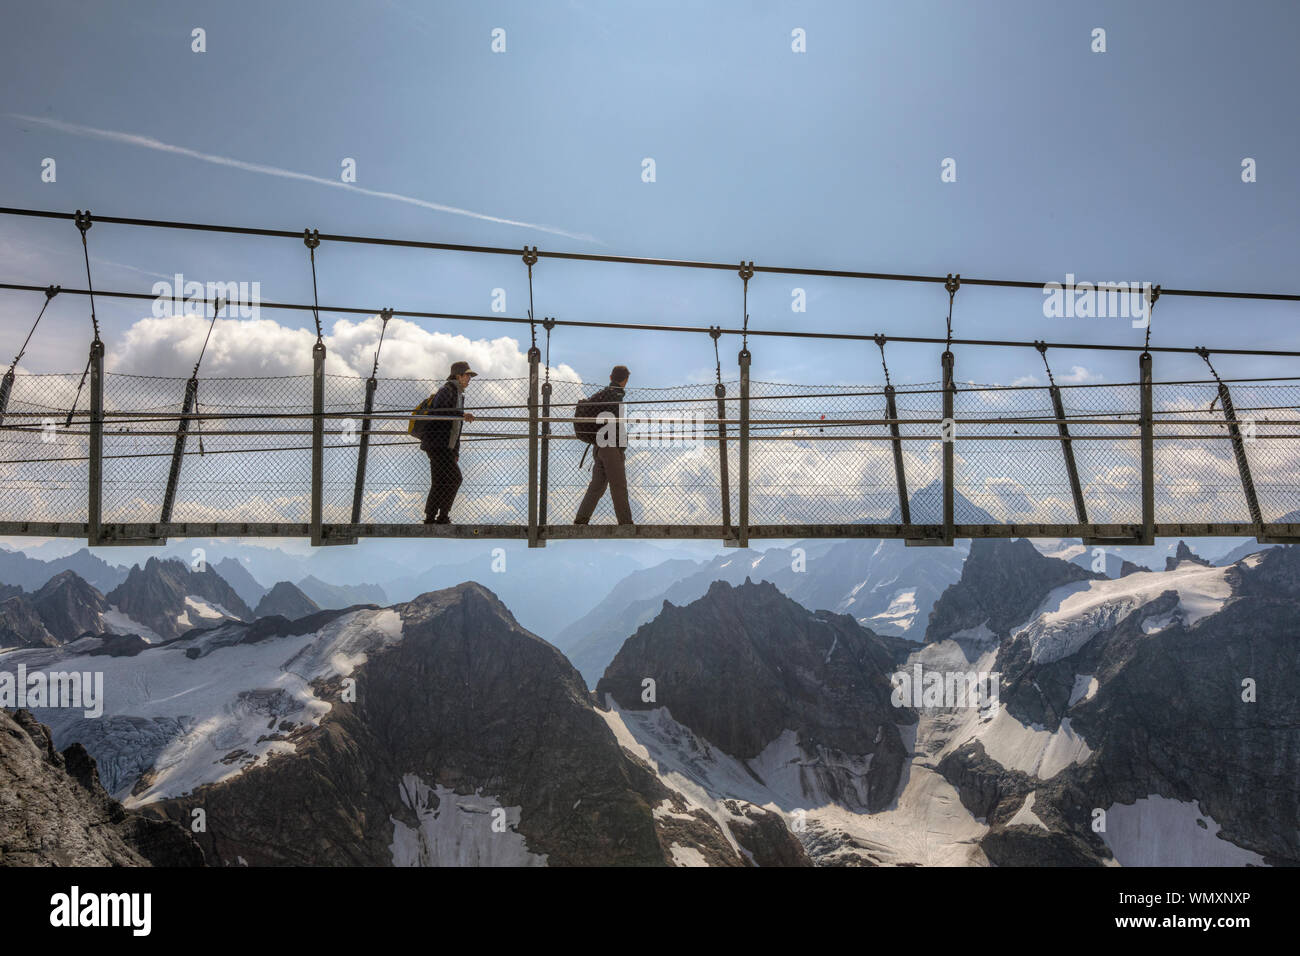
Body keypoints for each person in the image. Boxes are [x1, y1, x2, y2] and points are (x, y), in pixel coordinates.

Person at [574, 365, 634, 526]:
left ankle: (581, 519)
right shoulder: (616, 396)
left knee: (597, 486)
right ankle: (625, 522)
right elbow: (617, 425)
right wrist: (621, 446)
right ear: (626, 380)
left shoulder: (601, 395)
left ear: (610, 377)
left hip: (598, 447)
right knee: (618, 485)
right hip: (610, 448)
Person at [419, 360, 476, 524]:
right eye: (467, 375)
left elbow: (456, 427)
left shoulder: (458, 394)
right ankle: (441, 515)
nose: (469, 379)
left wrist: (455, 451)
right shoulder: (447, 391)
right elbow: (441, 413)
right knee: (455, 478)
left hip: (444, 446)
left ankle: (431, 516)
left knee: (440, 480)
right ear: (458, 376)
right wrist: (461, 415)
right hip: (438, 444)